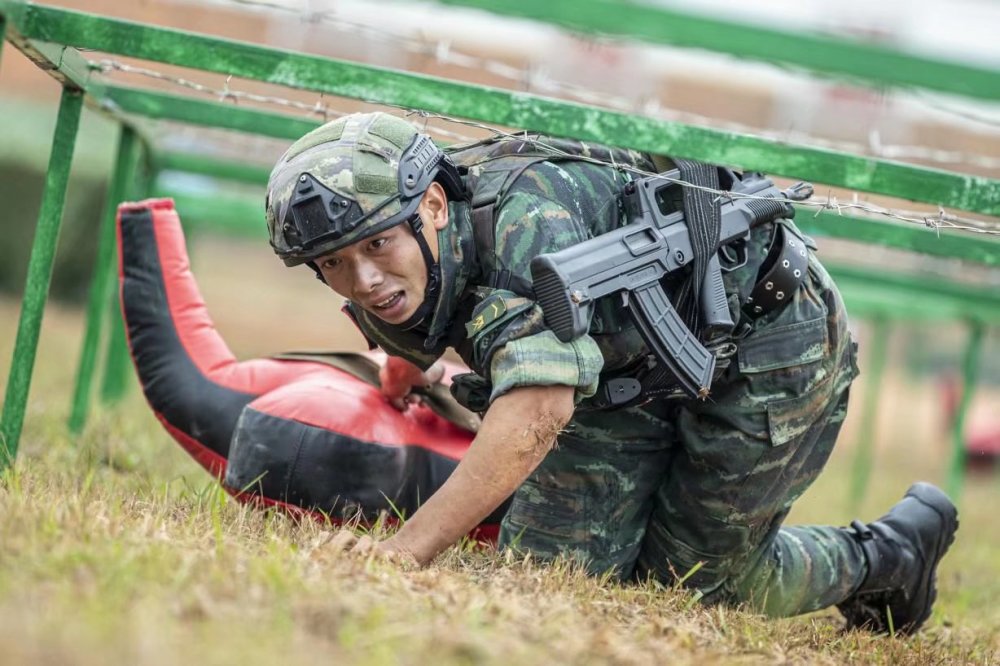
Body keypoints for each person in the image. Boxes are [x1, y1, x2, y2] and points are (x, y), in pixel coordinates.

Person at [264, 112, 958, 634]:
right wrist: (401, 367)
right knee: (546, 578)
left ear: (435, 208)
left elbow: (535, 414)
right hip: (621, 368)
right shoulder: (398, 268)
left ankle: (889, 555)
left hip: (765, 339)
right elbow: (432, 321)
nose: (363, 279)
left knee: (695, 583)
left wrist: (405, 553)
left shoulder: (525, 221)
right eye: (334, 263)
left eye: (378, 244)